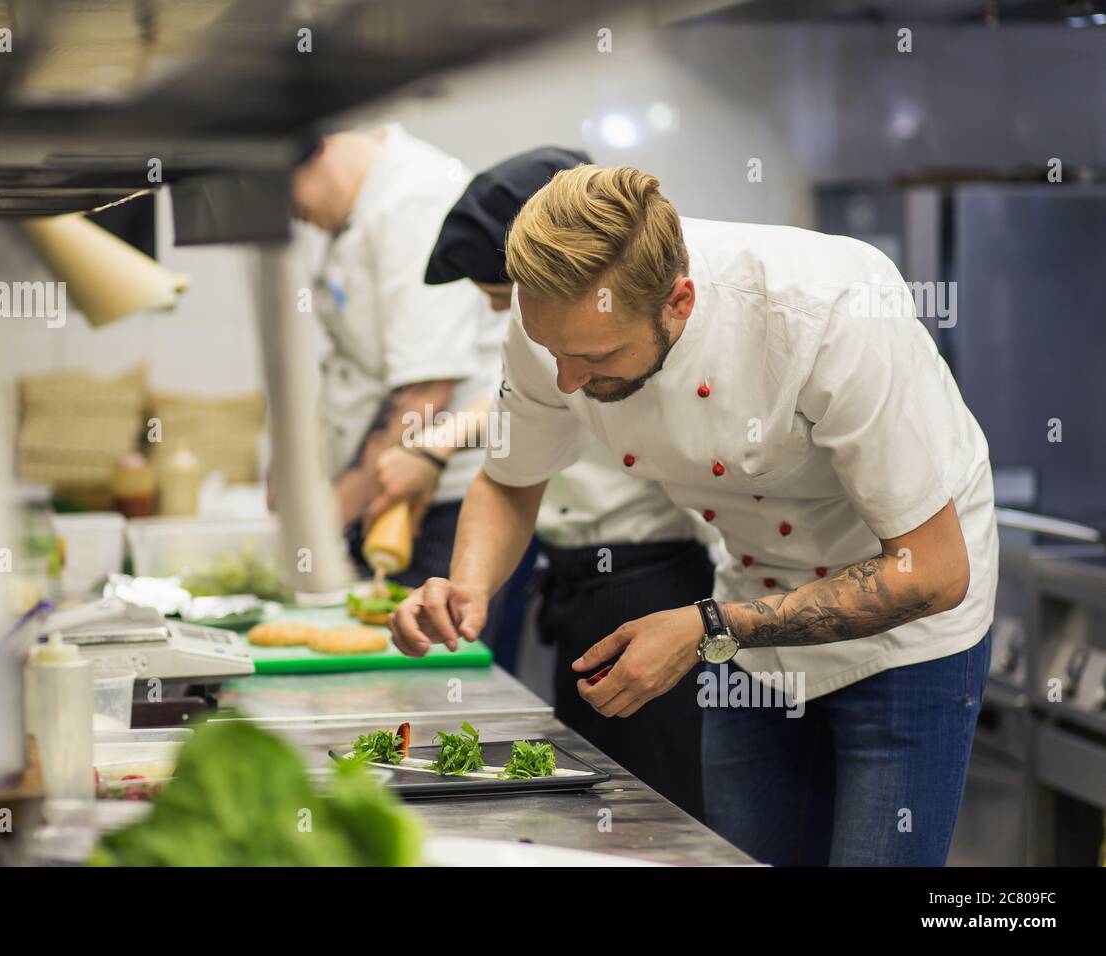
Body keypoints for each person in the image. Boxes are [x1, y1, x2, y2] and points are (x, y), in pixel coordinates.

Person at [389, 165, 998, 867]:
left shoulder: (831, 311)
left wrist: (707, 628)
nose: (566, 381)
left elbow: (933, 572)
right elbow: (510, 479)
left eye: (593, 357)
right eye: (552, 353)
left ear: (678, 302)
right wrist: (467, 586)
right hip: (750, 606)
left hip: (906, 633)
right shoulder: (555, 325)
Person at [372, 147, 713, 816]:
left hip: (651, 575)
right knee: (592, 800)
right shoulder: (549, 343)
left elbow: (506, 411)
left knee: (651, 808)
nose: (554, 364)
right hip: (576, 574)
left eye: (506, 298)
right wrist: (466, 586)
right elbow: (514, 441)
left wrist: (437, 442)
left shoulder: (626, 322)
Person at [285, 124, 504, 588]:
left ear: (315, 148)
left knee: (424, 649)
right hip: (377, 491)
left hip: (434, 503)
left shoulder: (414, 202)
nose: (292, 216)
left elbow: (425, 390)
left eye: (285, 198)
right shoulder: (352, 206)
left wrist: (324, 525)